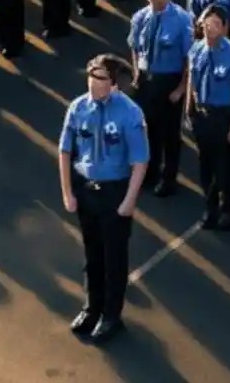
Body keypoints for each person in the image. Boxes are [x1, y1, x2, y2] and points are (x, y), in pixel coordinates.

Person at [60, 53, 149, 344]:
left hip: (114, 193)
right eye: (90, 75)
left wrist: (129, 200)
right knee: (92, 255)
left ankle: (111, 315)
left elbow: (140, 161)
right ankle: (91, 307)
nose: (92, 82)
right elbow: (65, 151)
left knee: (114, 258)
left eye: (99, 77)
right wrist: (68, 191)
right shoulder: (77, 107)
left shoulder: (130, 113)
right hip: (86, 189)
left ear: (113, 84)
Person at [128, 0, 193, 195]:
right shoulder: (140, 17)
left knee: (169, 134)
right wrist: (137, 73)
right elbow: (136, 47)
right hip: (147, 80)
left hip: (169, 82)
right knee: (148, 130)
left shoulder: (182, 20)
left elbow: (189, 60)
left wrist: (181, 88)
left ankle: (169, 177)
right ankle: (151, 171)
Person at [187, 5, 230, 229]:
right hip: (202, 115)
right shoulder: (196, 49)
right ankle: (210, 207)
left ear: (224, 28)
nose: (209, 28)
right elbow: (192, 80)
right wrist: (189, 109)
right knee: (205, 165)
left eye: (215, 24)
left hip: (224, 116)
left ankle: (227, 208)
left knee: (225, 168)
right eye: (206, 23)